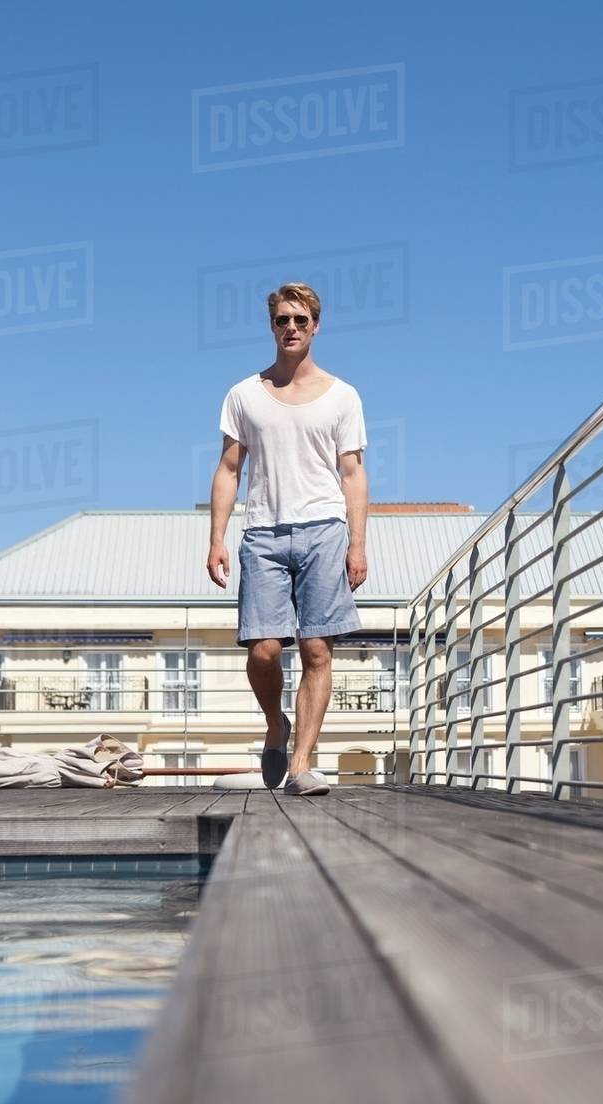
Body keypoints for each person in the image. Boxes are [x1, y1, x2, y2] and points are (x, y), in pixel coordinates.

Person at [207, 282, 368, 795]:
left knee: (317, 647)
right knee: (263, 650)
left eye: (301, 320)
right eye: (283, 320)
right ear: (271, 326)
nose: (292, 328)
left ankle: (301, 764)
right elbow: (230, 469)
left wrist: (358, 544)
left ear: (315, 326)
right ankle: (276, 724)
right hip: (262, 534)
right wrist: (216, 538)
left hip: (325, 529)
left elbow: (353, 473)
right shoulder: (244, 395)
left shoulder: (343, 395)